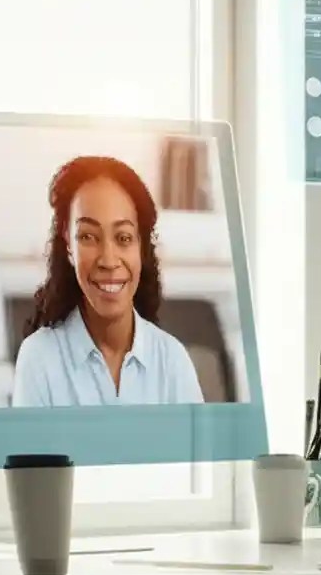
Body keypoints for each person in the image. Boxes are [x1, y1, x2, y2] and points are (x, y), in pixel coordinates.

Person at [12, 155, 203, 407]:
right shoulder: (39, 357)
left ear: (141, 247)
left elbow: (199, 448)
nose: (108, 260)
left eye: (123, 238)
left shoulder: (172, 359)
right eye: (88, 237)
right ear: (68, 244)